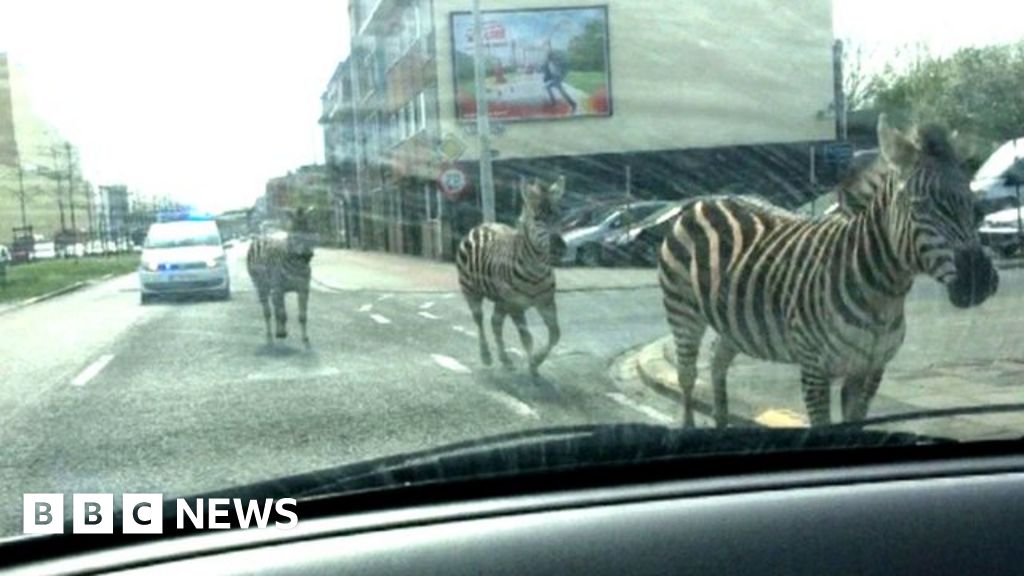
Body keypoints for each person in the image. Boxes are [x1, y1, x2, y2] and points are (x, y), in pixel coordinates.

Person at [541, 50, 577, 114]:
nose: (547, 57)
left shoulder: (554, 62)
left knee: (552, 89)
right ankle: (571, 103)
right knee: (558, 91)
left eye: (548, 56)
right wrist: (547, 77)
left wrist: (560, 77)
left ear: (550, 56)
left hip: (557, 78)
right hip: (556, 78)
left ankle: (556, 102)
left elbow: (558, 70)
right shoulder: (550, 62)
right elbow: (549, 72)